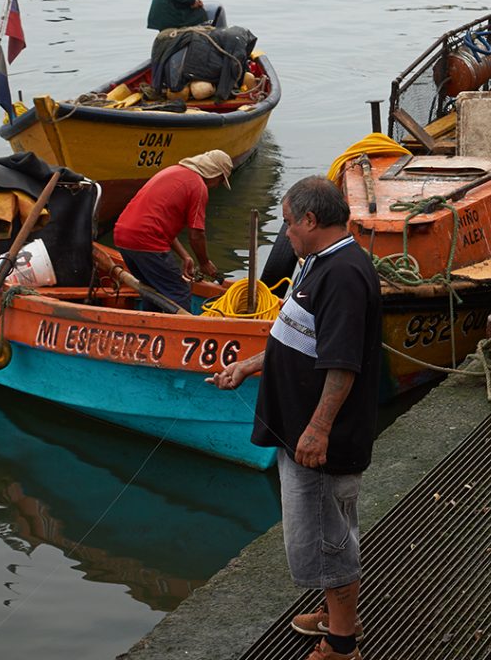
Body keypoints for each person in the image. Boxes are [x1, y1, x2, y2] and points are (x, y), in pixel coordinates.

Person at [211, 177, 382, 660]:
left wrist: (318, 428)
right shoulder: (316, 264)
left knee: (328, 536)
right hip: (297, 429)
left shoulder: (344, 275)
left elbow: (342, 363)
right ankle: (334, 613)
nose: (284, 233)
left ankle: (342, 643)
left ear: (310, 220)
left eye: (287, 222)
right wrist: (246, 365)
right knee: (327, 528)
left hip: (322, 439)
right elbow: (297, 335)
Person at [113, 149, 231, 309]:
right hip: (147, 242)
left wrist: (185, 256)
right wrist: (204, 263)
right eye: (219, 181)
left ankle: (150, 327)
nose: (217, 186)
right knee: (179, 292)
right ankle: (184, 332)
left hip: (123, 236)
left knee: (152, 291)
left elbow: (159, 224)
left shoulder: (172, 171)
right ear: (215, 174)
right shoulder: (198, 186)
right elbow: (196, 233)